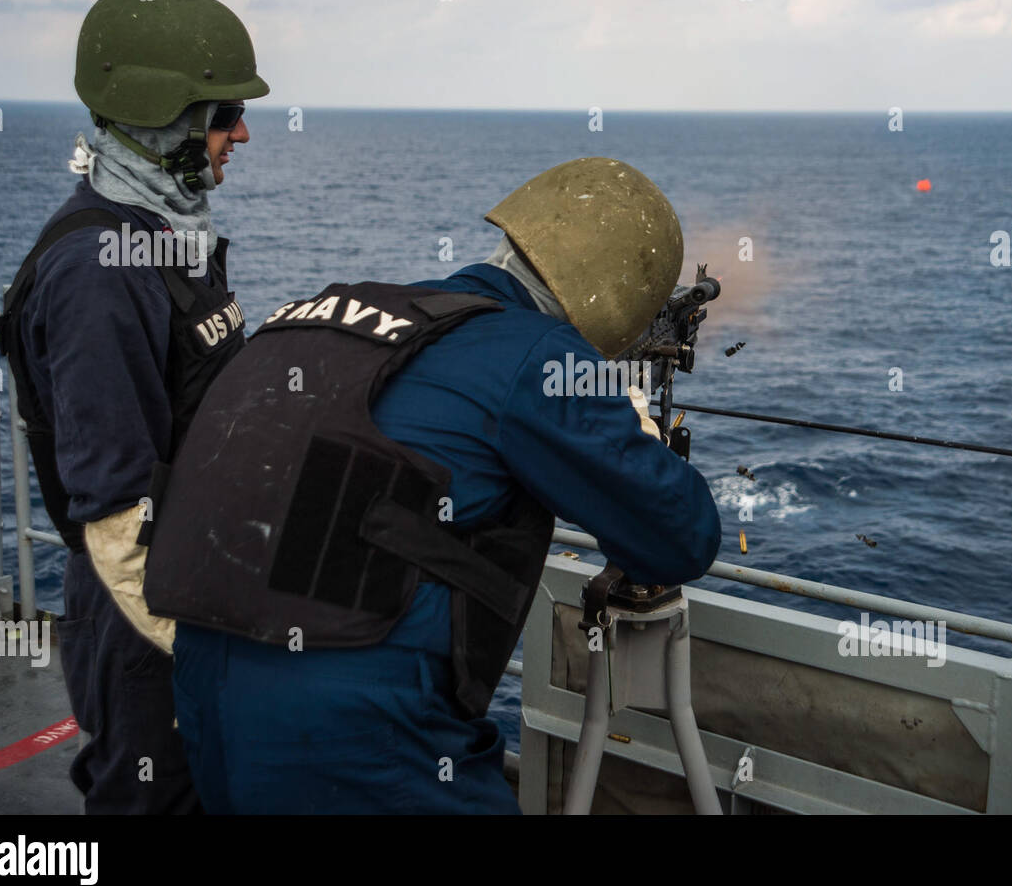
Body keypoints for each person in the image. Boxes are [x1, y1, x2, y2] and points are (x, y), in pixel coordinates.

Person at [143, 156, 723, 814]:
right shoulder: (538, 355)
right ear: (613, 300)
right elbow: (683, 535)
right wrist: (630, 422)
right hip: (356, 723)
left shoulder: (329, 314)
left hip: (205, 697)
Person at [0, 0, 269, 813]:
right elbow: (115, 515)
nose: (243, 133)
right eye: (224, 114)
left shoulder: (166, 237)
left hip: (197, 580)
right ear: (167, 118)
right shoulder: (99, 271)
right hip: (142, 618)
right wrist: (204, 651)